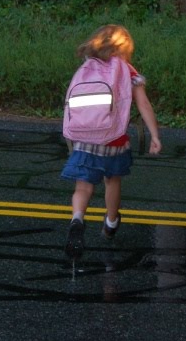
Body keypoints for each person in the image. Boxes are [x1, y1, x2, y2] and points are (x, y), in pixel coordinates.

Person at [61, 24, 161, 259]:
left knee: (83, 187)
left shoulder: (87, 67)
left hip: (84, 138)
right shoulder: (128, 71)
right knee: (112, 181)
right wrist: (154, 135)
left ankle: (77, 218)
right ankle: (111, 222)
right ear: (125, 49)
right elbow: (143, 104)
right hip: (114, 140)